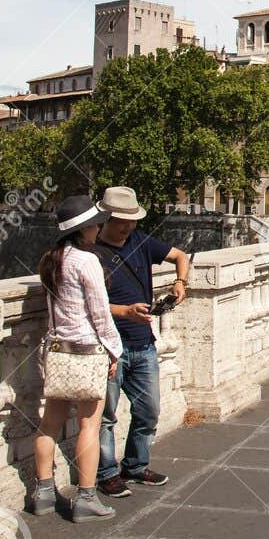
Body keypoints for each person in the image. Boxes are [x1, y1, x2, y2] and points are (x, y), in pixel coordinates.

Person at [93, 185, 190, 497]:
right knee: (105, 416)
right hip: (108, 345)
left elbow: (180, 256)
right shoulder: (90, 251)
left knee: (148, 410)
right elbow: (85, 303)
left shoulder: (140, 241)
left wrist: (180, 282)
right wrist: (124, 312)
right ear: (106, 218)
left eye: (132, 220)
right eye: (123, 220)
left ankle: (134, 465)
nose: (129, 226)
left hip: (143, 343)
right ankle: (106, 473)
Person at [32, 196, 123, 523]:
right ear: (84, 228)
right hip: (86, 351)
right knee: (89, 425)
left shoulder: (50, 259)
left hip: (57, 351)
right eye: (96, 223)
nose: (100, 227)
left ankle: (43, 493)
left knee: (49, 423)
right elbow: (100, 315)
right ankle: (85, 497)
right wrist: (115, 350)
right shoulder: (87, 262)